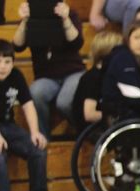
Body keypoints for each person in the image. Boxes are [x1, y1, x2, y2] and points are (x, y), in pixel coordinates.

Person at [0, 40, 59, 191]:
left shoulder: (16, 76)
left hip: (8, 125)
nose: (3, 66)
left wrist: (35, 131)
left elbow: (28, 104)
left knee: (37, 149)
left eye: (7, 62)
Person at [12, 1, 85, 136]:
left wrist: (65, 18)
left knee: (64, 102)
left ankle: (85, 131)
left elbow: (76, 42)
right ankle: (43, 137)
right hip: (45, 76)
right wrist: (24, 21)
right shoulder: (32, 16)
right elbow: (17, 45)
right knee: (35, 93)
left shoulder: (71, 14)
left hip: (73, 72)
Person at [101, 21, 140, 121]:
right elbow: (134, 97)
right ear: (128, 39)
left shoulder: (139, 62)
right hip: (121, 118)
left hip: (134, 116)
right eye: (137, 37)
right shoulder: (123, 58)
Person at [72, 31, 122, 129]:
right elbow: (90, 114)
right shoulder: (92, 78)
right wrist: (119, 117)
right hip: (93, 130)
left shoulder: (113, 75)